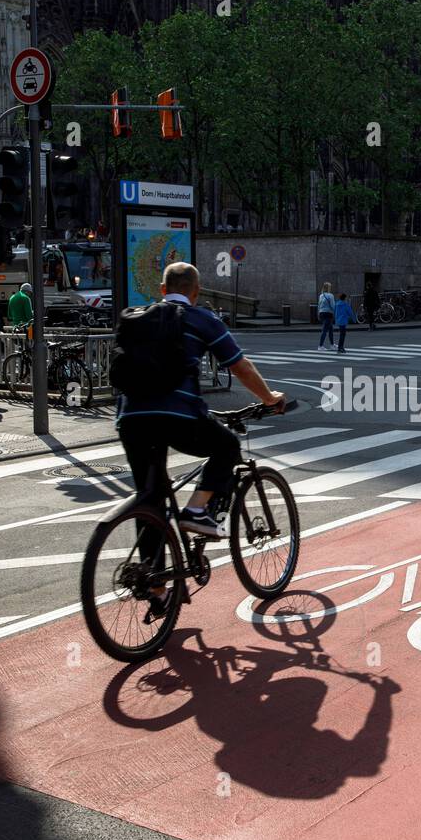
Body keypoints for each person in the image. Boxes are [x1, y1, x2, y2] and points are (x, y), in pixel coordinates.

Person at [116, 262, 284, 615]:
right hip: (178, 415)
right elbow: (240, 366)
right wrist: (269, 399)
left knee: (150, 499)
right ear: (196, 291)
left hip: (131, 419)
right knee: (227, 446)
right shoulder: (202, 319)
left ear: (162, 290)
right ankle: (197, 510)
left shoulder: (137, 318)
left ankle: (157, 586)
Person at [317, 281, 336, 350]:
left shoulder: (321, 295)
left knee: (330, 329)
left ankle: (332, 344)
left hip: (322, 313)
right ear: (328, 288)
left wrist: (318, 313)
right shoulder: (331, 295)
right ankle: (320, 345)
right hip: (328, 313)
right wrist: (335, 313)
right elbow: (333, 305)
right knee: (325, 330)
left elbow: (319, 305)